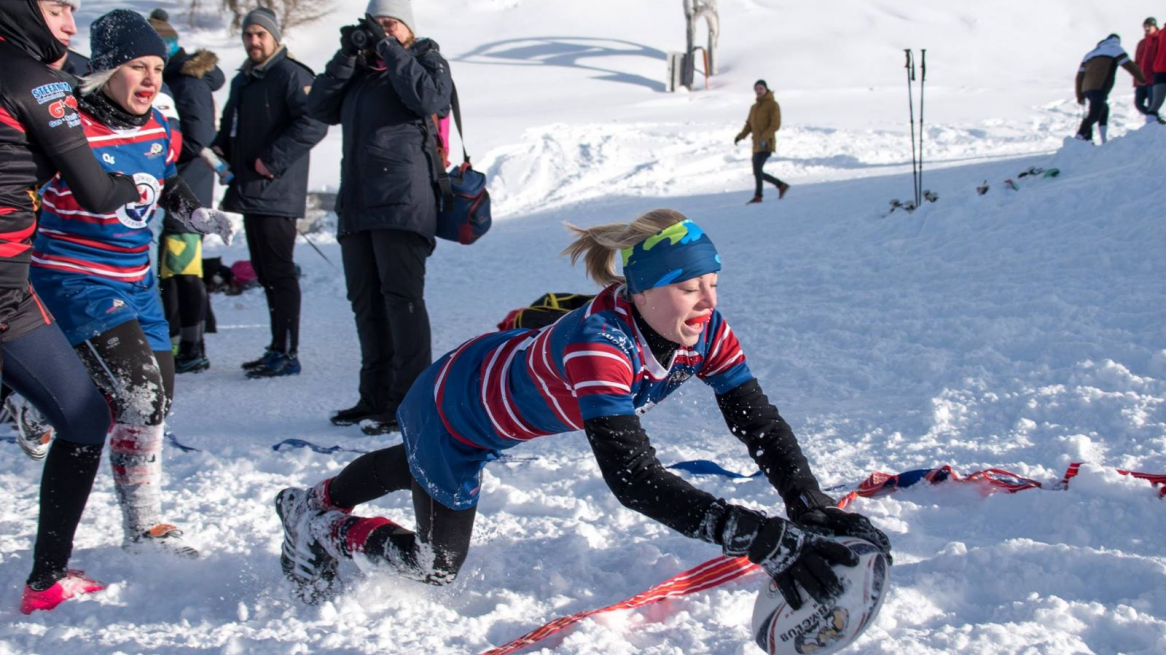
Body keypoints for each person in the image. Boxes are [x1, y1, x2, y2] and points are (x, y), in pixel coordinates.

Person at [276, 210, 893, 611]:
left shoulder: (702, 328)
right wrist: (758, 539)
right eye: (688, 288)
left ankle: (313, 500)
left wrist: (806, 501)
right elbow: (633, 479)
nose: (707, 302)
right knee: (434, 565)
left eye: (713, 283)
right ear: (641, 291)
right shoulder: (601, 346)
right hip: (449, 408)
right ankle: (323, 525)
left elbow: (755, 419)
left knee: (415, 462)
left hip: (472, 387)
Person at [30, 8, 235, 583]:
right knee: (138, 391)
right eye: (137, 67)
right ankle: (32, 395)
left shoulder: (159, 125)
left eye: (157, 68)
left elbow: (164, 181)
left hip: (136, 281)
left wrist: (195, 212)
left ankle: (142, 527)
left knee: (155, 401)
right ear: (104, 71)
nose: (150, 79)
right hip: (73, 279)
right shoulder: (66, 126)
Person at [0, 0, 149, 613]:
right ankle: (45, 581)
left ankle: (48, 578)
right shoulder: (33, 81)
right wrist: (137, 184)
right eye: (58, 8)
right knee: (85, 419)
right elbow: (95, 191)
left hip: (13, 293)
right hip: (6, 296)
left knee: (82, 414)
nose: (68, 25)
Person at [307, 0, 452, 435]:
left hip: (403, 202)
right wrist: (345, 55)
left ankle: (409, 402)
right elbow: (318, 106)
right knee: (366, 304)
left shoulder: (426, 59)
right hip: (357, 203)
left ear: (408, 29)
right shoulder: (360, 71)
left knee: (402, 302)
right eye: (376, 24)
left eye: (392, 24)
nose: (382, 31)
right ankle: (373, 397)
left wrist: (389, 48)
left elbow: (430, 99)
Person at [212, 7, 326, 378]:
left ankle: (288, 353)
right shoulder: (244, 79)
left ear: (274, 37)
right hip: (250, 190)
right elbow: (231, 127)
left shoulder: (290, 74)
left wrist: (272, 160)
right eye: (248, 35)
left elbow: (313, 122)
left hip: (277, 191)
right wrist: (219, 150)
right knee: (264, 272)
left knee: (279, 272)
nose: (254, 41)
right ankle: (276, 347)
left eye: (260, 34)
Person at [151, 8, 225, 373]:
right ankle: (179, 341)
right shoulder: (170, 78)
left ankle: (193, 347)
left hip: (189, 189)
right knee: (171, 271)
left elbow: (198, 137)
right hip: (176, 190)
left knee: (183, 271)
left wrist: (156, 154)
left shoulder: (188, 81)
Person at [1075, 35, 1146, 144]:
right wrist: (1142, 79)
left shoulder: (1090, 54)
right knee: (1095, 114)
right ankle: (1079, 137)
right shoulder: (1115, 49)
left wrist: (1080, 95)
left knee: (1104, 109)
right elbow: (1129, 66)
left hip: (1086, 89)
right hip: (1099, 87)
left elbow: (1079, 76)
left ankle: (1101, 140)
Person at [735, 80, 788, 204]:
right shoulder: (754, 108)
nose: (759, 91)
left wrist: (764, 138)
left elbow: (775, 124)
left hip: (766, 143)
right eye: (756, 89)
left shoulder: (773, 105)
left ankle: (758, 196)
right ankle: (780, 185)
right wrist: (741, 136)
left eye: (761, 88)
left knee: (758, 170)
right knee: (757, 171)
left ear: (766, 89)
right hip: (756, 144)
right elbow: (749, 125)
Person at [1134, 18, 1159, 121]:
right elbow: (1137, 62)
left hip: (1153, 79)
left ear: (1155, 26)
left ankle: (1154, 122)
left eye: (1149, 26)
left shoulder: (1160, 40)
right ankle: (1156, 120)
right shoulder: (1141, 43)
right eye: (1145, 26)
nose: (1147, 28)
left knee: (1153, 104)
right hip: (1141, 80)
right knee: (1138, 104)